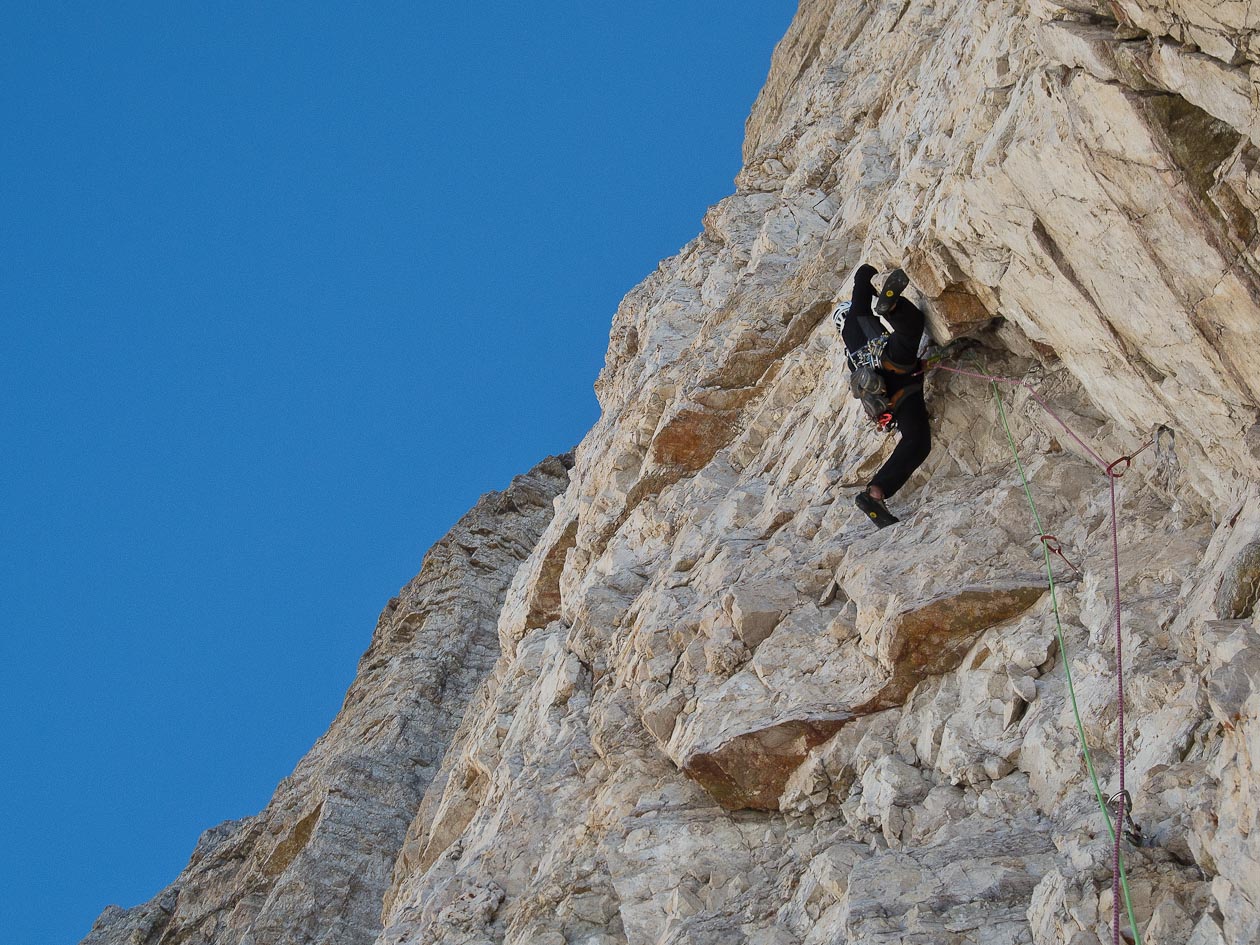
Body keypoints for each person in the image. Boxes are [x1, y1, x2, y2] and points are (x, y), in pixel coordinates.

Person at [838, 264, 931, 528]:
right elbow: (861, 280)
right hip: (890, 361)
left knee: (918, 441)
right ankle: (892, 308)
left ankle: (876, 493)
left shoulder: (850, 357)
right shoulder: (854, 322)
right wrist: (870, 273)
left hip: (893, 397)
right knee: (909, 330)